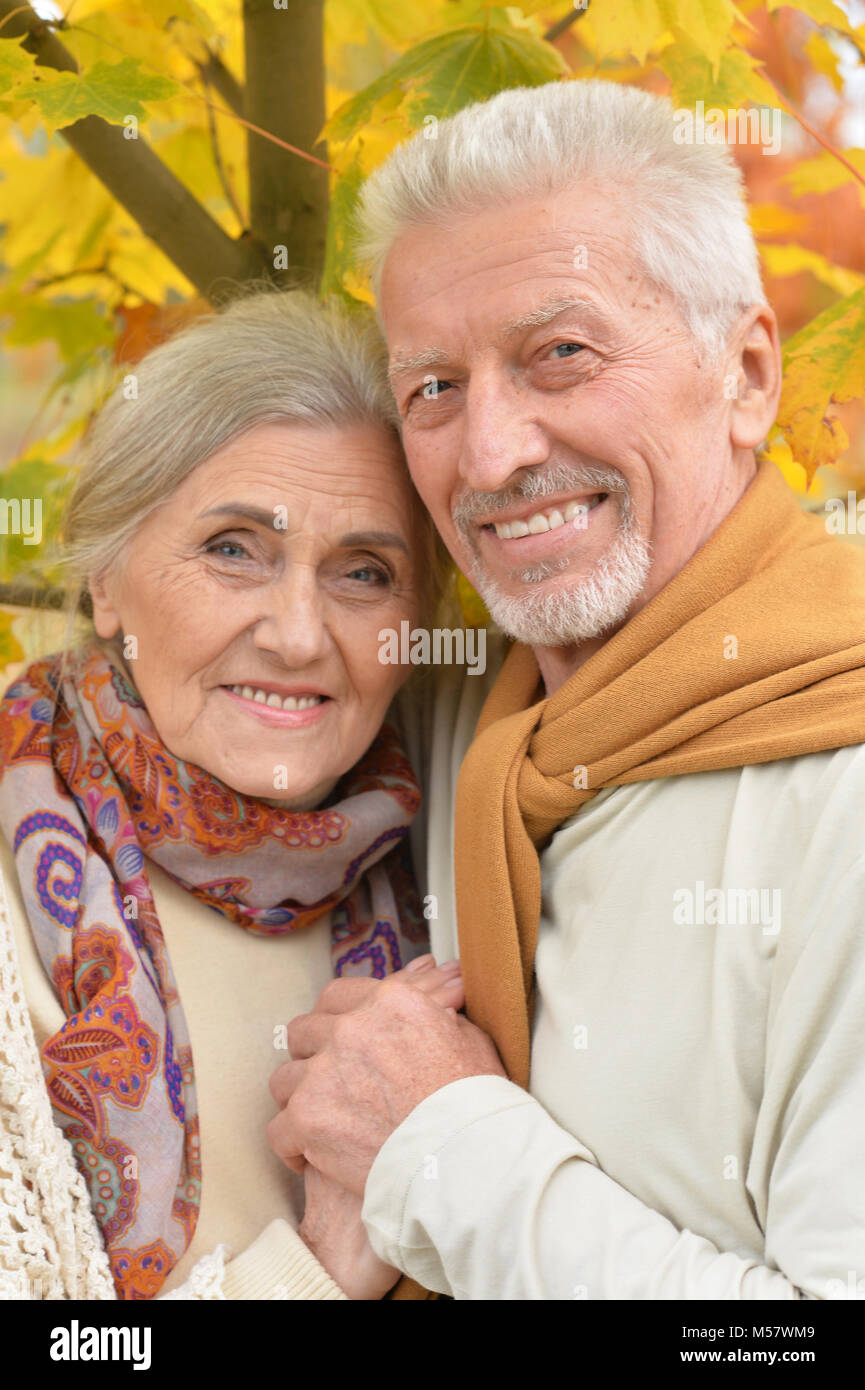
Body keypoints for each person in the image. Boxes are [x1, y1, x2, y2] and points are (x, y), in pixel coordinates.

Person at [268, 79, 865, 1299]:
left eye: (561, 354)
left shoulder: (839, 792)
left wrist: (440, 1150)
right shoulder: (456, 708)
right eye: (432, 387)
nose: (491, 455)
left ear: (748, 375)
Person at [0, 288, 463, 1301]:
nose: (298, 635)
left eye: (362, 572)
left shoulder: (453, 855)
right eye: (232, 550)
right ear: (107, 578)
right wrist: (322, 1270)